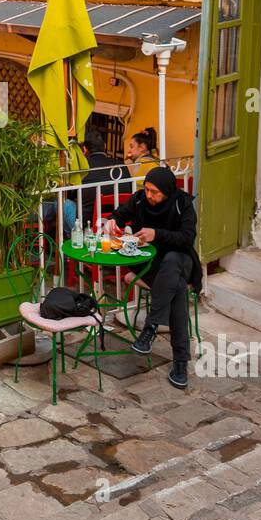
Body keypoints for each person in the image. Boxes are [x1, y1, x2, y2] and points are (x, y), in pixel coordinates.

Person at [107, 166, 202, 389]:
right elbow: (119, 215)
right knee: (176, 288)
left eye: (154, 192)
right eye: (147, 189)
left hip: (181, 261)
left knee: (172, 261)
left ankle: (151, 327)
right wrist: (112, 222)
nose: (149, 195)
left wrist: (156, 234)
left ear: (167, 191)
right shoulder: (140, 200)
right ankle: (180, 362)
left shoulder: (182, 204)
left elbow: (187, 239)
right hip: (151, 265)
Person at [78, 129, 134, 228]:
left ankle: (73, 237)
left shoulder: (83, 168)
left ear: (85, 149)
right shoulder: (121, 165)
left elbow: (73, 194)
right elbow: (129, 190)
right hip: (121, 220)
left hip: (90, 223)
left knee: (67, 205)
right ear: (105, 146)